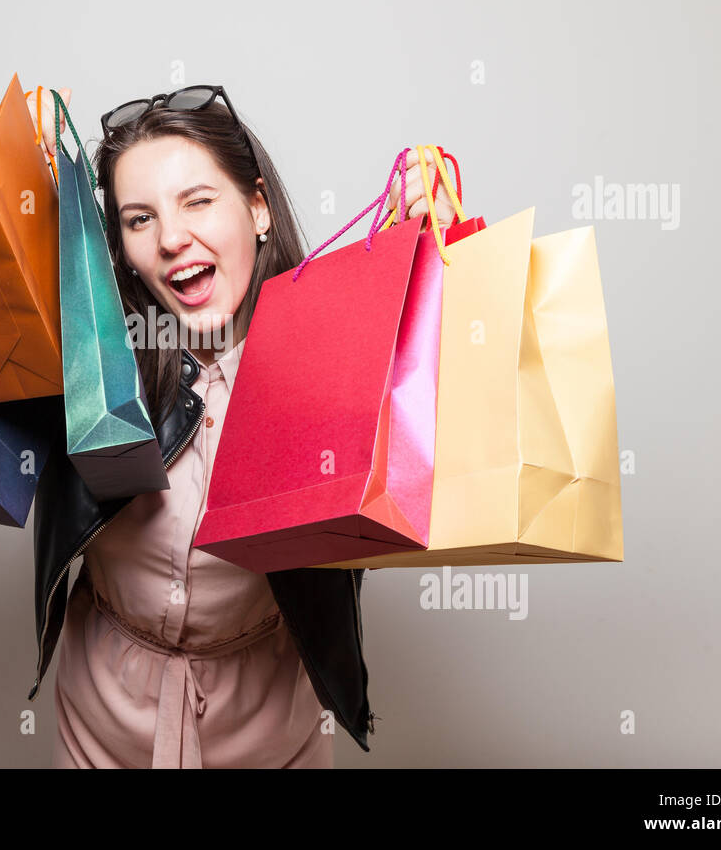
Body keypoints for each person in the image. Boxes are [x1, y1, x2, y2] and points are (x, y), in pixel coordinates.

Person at [24, 85, 455, 768]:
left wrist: (421, 280)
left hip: (270, 716)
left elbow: (424, 479)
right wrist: (31, 202)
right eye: (138, 219)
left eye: (198, 202)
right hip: (104, 707)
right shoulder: (85, 355)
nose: (171, 238)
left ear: (257, 207)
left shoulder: (334, 357)